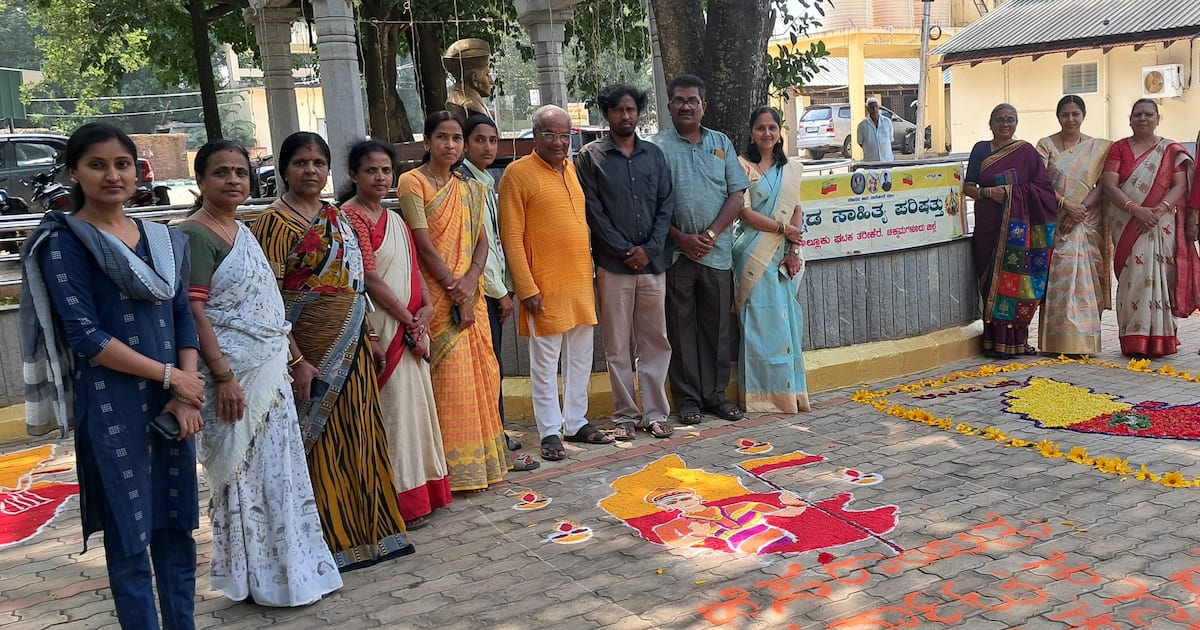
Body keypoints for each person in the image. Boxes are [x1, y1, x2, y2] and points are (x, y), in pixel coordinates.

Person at [20, 123, 205, 628]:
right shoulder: (66, 243)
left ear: (136, 169)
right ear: (74, 172)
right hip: (112, 405)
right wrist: (173, 378)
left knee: (176, 525)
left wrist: (187, 392)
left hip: (175, 404)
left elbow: (182, 316)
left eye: (121, 163)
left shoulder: (164, 241)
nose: (112, 174)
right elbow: (85, 336)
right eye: (97, 165)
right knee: (130, 535)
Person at [179, 140, 342, 605]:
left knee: (280, 472)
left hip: (270, 370)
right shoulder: (194, 234)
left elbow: (268, 308)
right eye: (221, 173)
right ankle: (257, 579)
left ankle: (292, 572)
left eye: (240, 173)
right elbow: (195, 311)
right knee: (245, 476)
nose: (233, 180)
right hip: (234, 377)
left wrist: (293, 358)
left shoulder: (243, 231)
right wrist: (224, 376)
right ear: (200, 181)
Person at [248, 131, 414, 570]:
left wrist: (373, 339)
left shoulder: (336, 219)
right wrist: (296, 360)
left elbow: (355, 284)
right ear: (285, 169)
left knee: (362, 434)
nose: (311, 171)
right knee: (317, 446)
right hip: (305, 353)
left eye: (318, 163)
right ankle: (325, 539)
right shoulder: (271, 225)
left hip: (354, 344)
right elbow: (268, 302)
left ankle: (373, 533)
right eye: (301, 163)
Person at [338, 140, 460, 527]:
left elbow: (413, 269)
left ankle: (426, 490)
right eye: (371, 170)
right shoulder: (349, 218)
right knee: (394, 412)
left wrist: (425, 307)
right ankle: (399, 500)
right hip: (380, 326)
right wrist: (408, 319)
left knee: (417, 410)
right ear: (353, 175)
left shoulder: (395, 219)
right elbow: (369, 277)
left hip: (409, 323)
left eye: (386, 170)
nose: (380, 177)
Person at [399, 111, 511, 490]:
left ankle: (484, 465)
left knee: (484, 373)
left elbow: (482, 241)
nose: (450, 145)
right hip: (436, 295)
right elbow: (423, 243)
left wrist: (471, 281)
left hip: (470, 293)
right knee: (450, 379)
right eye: (442, 138)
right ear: (427, 142)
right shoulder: (412, 182)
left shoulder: (469, 188)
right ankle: (450, 473)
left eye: (456, 139)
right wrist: (453, 287)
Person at [500, 105, 612, 461]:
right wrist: (527, 287)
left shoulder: (572, 171)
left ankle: (575, 422)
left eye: (566, 135)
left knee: (580, 359)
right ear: (535, 136)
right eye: (551, 134)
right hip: (543, 288)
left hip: (579, 282)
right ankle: (549, 431)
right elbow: (511, 237)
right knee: (545, 365)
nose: (560, 142)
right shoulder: (517, 175)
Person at [575, 84, 675, 441]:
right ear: (607, 114)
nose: (626, 116)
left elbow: (666, 205)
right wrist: (623, 250)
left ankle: (655, 413)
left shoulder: (654, 155)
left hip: (652, 263)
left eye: (631, 109)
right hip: (613, 266)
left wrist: (648, 248)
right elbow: (593, 211)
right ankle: (625, 415)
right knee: (616, 343)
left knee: (655, 340)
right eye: (618, 110)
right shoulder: (590, 157)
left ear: (639, 113)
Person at [650, 74, 749, 424]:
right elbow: (652, 206)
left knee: (717, 327)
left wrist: (709, 235)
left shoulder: (721, 142)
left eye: (693, 100)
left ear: (703, 106)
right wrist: (681, 238)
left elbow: (737, 195)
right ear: (670, 106)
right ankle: (688, 400)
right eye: (679, 100)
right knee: (680, 329)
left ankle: (715, 396)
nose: (686, 106)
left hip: (717, 253)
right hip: (676, 255)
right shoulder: (657, 148)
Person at [457, 114, 537, 469]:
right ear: (465, 143)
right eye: (479, 140)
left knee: (494, 367)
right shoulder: (462, 183)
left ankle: (497, 431)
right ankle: (493, 437)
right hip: (482, 291)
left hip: (496, 286)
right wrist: (500, 291)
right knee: (487, 368)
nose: (487, 147)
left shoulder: (487, 180)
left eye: (492, 140)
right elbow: (478, 245)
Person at [1100, 99, 1200, 358]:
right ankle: (1133, 340)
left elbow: (1180, 184)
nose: (1142, 118)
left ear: (1157, 118)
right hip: (1127, 221)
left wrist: (1160, 208)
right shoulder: (1118, 149)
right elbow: (1109, 185)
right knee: (1132, 277)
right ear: (1130, 119)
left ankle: (1161, 339)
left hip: (1160, 221)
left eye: (1148, 114)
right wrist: (1136, 209)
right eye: (1137, 115)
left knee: (1160, 277)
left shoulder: (1169, 150)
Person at [962, 104, 1058, 359]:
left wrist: (1011, 194)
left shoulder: (1025, 151)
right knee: (991, 282)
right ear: (990, 123)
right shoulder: (981, 149)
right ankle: (992, 342)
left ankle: (1017, 341)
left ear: (1016, 123)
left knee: (1018, 284)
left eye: (1010, 120)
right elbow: (968, 186)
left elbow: (1044, 191)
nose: (1005, 124)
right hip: (989, 227)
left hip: (1019, 231)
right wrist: (987, 192)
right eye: (1000, 120)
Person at [734, 106, 811, 413]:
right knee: (758, 328)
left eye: (772, 128)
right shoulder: (742, 165)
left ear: (780, 133)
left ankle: (790, 396)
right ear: (752, 132)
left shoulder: (790, 169)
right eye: (760, 128)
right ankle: (760, 399)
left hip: (782, 255)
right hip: (752, 255)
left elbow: (796, 207)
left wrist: (793, 250)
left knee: (785, 324)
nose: (767, 133)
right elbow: (745, 213)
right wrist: (783, 229)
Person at [1034, 95, 1112, 356]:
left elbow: (1102, 185)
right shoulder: (1045, 146)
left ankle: (1084, 341)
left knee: (1086, 281)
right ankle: (1058, 342)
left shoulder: (1095, 148)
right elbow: (1040, 183)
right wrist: (1067, 205)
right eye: (1065, 114)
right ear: (1058, 117)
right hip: (1057, 219)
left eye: (1075, 114)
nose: (1070, 119)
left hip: (1086, 221)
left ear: (1083, 115)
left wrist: (1081, 210)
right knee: (1060, 279)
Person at [856, 97, 894, 162]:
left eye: (876, 106)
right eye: (871, 107)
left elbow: (890, 139)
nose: (874, 109)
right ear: (867, 109)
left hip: (887, 160)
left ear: (878, 107)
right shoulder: (862, 125)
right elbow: (860, 142)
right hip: (870, 161)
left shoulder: (887, 122)